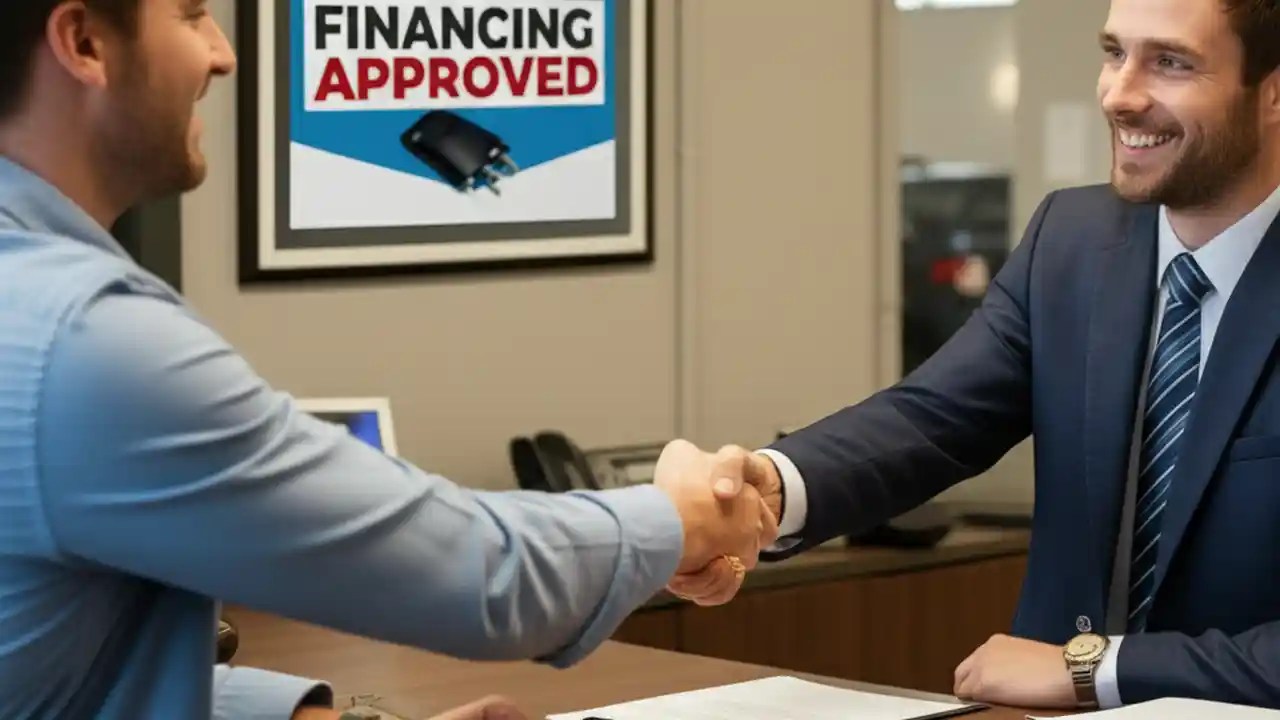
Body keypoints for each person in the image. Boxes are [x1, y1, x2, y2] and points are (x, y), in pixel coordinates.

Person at [0, 2, 776, 719]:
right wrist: (685, 513)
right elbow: (480, 574)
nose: (221, 54)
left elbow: (55, 664)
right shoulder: (83, 345)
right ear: (85, 43)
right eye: (193, 13)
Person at [667, 0, 1280, 711]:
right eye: (1114, 53)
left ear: (1272, 89)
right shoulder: (1072, 239)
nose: (1119, 93)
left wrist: (1098, 669)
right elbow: (932, 420)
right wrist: (768, 492)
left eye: (1170, 63)